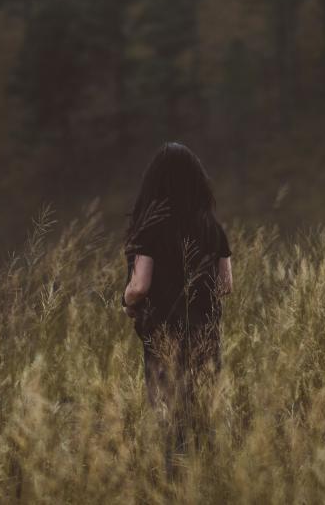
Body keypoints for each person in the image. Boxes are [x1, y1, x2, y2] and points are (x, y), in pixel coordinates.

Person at [122, 142, 233, 459]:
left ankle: (177, 480)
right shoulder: (212, 227)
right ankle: (206, 477)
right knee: (204, 417)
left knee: (171, 421)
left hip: (164, 336)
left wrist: (126, 301)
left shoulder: (150, 229)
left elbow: (139, 286)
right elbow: (226, 285)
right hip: (205, 334)